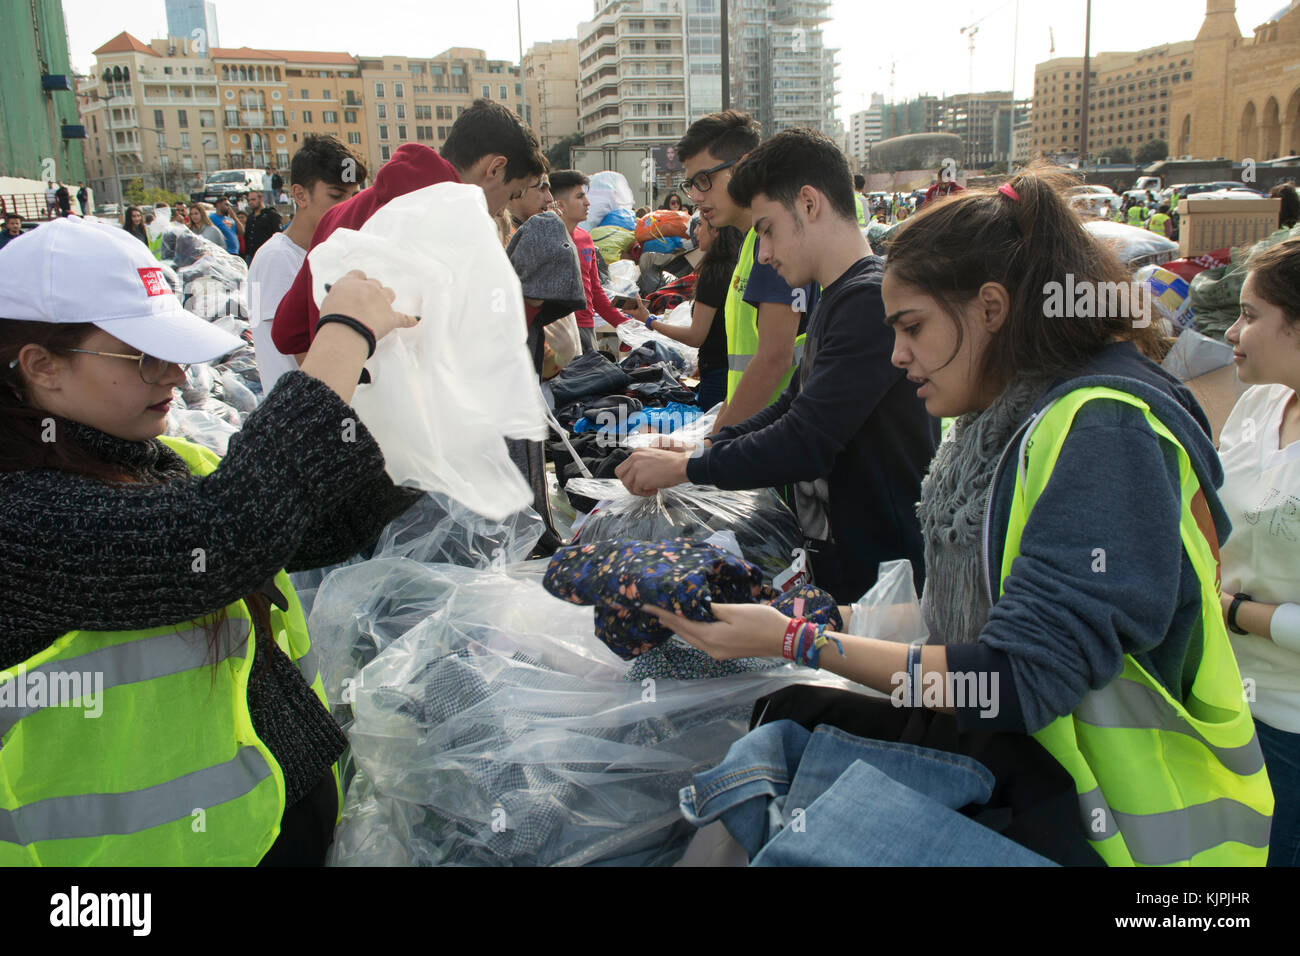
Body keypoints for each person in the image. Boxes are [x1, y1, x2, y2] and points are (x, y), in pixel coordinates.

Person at [643, 166, 1272, 866]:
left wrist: (801, 643)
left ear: (991, 309)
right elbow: (972, 612)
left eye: (912, 327)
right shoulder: (999, 418)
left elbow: (1016, 678)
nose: (897, 355)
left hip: (1134, 843)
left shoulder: (1102, 430)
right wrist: (823, 619)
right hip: (1040, 790)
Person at [0, 217, 421, 865]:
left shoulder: (165, 461)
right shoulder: (20, 514)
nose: (173, 374)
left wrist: (412, 409)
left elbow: (307, 525)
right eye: (144, 356)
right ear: (41, 367)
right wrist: (343, 337)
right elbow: (219, 537)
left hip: (272, 823)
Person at [617, 128, 938, 602]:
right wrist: (700, 448)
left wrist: (687, 469)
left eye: (766, 229)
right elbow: (790, 404)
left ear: (809, 204)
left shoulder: (868, 303)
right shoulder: (838, 296)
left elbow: (804, 441)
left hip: (881, 575)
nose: (763, 252)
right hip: (843, 558)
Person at [273, 98, 547, 357]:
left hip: (340, 398)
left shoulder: (336, 215)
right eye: (511, 195)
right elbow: (485, 349)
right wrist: (531, 304)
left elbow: (288, 333)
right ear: (495, 169)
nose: (502, 211)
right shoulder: (457, 227)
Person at [1219, 236, 1300, 866]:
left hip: (1290, 726)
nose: (1229, 331)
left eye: (1249, 315)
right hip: (1225, 696)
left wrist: (1236, 613)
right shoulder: (1257, 403)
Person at [676, 110, 812, 433]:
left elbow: (773, 359)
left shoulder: (773, 248)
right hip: (756, 440)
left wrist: (708, 455)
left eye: (704, 181)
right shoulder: (750, 242)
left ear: (743, 166)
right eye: (690, 185)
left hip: (775, 445)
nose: (696, 196)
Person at [249, 135, 365, 395]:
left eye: (354, 197)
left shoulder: (326, 253)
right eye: (336, 196)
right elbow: (308, 357)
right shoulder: (277, 259)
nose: (348, 207)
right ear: (300, 195)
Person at [549, 169, 650, 354]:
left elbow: (595, 292)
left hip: (587, 329)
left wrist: (625, 324)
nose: (587, 203)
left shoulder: (586, 239)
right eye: (580, 197)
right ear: (561, 204)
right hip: (558, 333)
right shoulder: (546, 239)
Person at [646, 215, 740, 412]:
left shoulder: (714, 272)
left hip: (718, 376)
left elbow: (696, 336)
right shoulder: (736, 265)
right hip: (732, 369)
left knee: (711, 437)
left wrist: (649, 321)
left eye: (701, 225)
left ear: (716, 230)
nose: (696, 232)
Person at [243, 188, 282, 262]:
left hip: (267, 256)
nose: (250, 202)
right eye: (249, 200)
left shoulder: (271, 215)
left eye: (253, 200)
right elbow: (247, 236)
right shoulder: (250, 217)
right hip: (252, 256)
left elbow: (278, 235)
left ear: (261, 199)